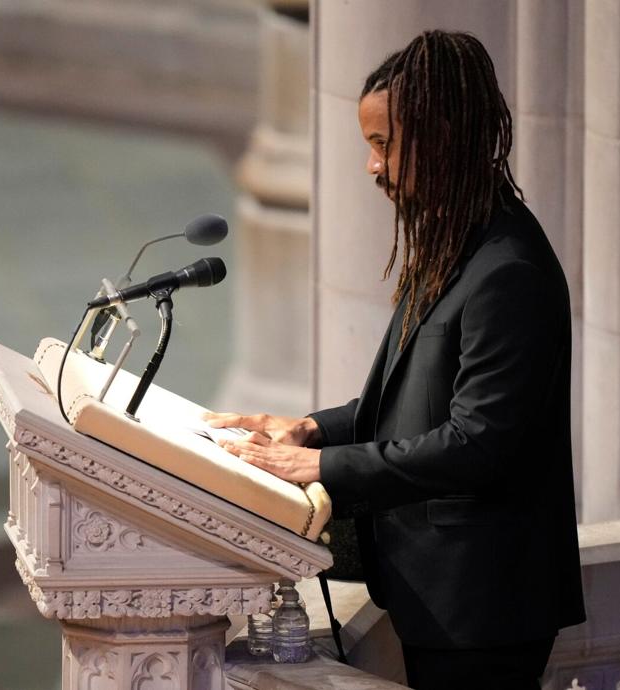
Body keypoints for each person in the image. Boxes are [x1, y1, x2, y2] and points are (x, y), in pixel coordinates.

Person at [206, 31, 585, 689]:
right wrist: (311, 430)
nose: (372, 166)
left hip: (482, 608)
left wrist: (321, 467)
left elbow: (478, 443)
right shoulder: (453, 241)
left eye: (383, 144)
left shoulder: (509, 270)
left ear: (441, 138)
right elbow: (408, 403)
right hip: (442, 598)